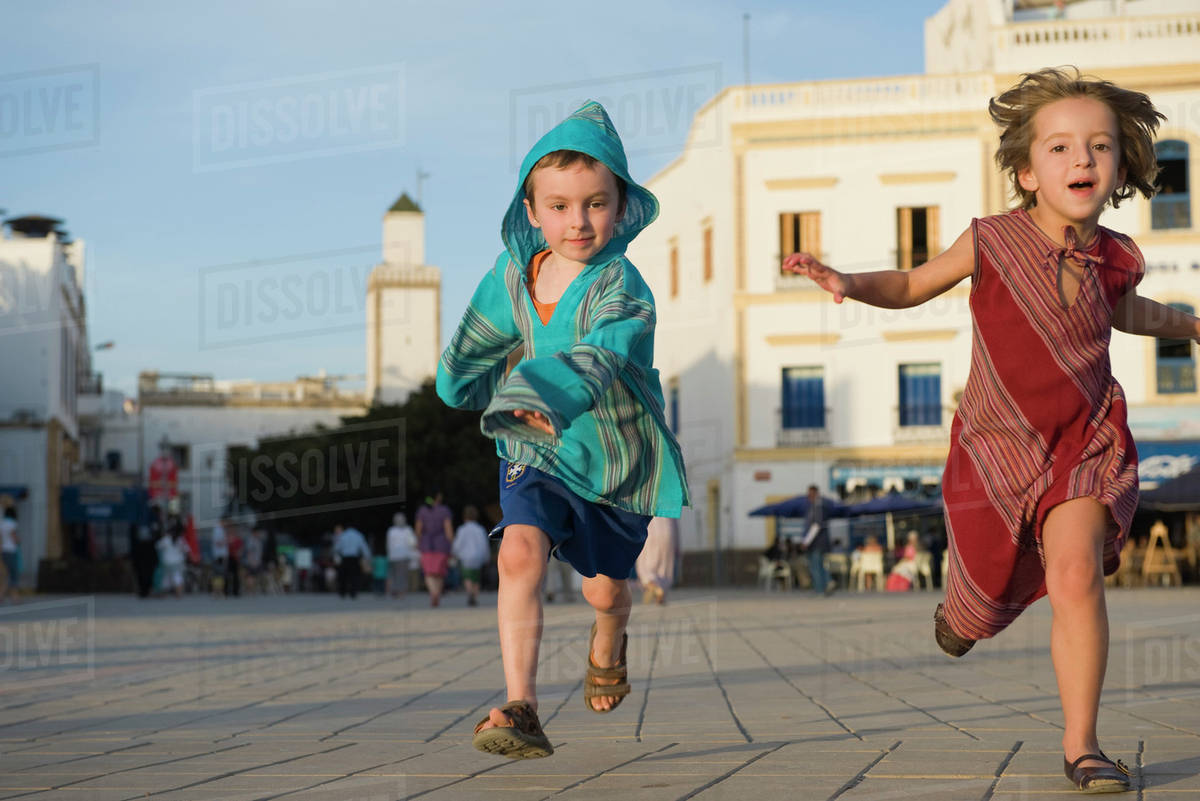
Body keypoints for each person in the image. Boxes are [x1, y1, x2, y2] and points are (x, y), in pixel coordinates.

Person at [783, 67, 1200, 793]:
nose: (1082, 160)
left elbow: (1126, 312)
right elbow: (912, 284)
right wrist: (849, 283)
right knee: (983, 589)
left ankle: (1082, 744)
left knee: (1076, 576)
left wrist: (1189, 324)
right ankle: (962, 615)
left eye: (1100, 146)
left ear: (1121, 164)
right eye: (1061, 147)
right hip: (997, 446)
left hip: (1084, 439)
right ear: (1025, 169)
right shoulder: (992, 241)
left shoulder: (1115, 257)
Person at [437, 100, 688, 759]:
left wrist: (546, 393)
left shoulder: (623, 287)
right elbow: (481, 335)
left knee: (602, 585)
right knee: (517, 550)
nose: (578, 221)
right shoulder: (515, 274)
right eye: (559, 205)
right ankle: (522, 704)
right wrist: (457, 378)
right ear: (531, 210)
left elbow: (601, 356)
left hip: (609, 456)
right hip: (533, 444)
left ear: (621, 203)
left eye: (595, 203)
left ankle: (611, 628)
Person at [415, 493, 454, 607]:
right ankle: (437, 592)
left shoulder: (422, 511)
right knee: (440, 572)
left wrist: (418, 542)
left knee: (428, 572)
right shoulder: (444, 510)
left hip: (426, 544)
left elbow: (418, 529)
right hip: (442, 544)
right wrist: (451, 543)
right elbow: (448, 529)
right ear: (438, 497)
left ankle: (433, 592)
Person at [800, 485, 835, 595]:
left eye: (811, 494)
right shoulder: (814, 507)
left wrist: (806, 541)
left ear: (816, 494)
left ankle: (820, 589)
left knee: (815, 566)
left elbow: (816, 526)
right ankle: (828, 582)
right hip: (816, 543)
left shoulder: (818, 507)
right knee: (819, 565)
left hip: (817, 543)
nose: (809, 496)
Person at [636, 517, 678, 605]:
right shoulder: (670, 503)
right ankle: (660, 596)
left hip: (650, 532)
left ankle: (653, 585)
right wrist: (677, 545)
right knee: (664, 567)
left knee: (645, 566)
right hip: (668, 533)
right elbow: (676, 526)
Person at [332, 524, 370, 599]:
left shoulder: (343, 535)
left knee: (343, 576)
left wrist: (336, 556)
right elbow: (364, 547)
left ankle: (342, 592)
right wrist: (367, 557)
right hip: (354, 558)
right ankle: (353, 593)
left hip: (345, 558)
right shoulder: (358, 535)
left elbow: (337, 548)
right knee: (354, 576)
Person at [386, 512, 418, 598]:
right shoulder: (408, 530)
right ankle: (401, 591)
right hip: (404, 555)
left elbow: (389, 545)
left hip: (394, 556)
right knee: (403, 575)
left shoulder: (391, 531)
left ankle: (395, 590)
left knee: (394, 574)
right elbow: (413, 543)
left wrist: (389, 555)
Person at [0, 502, 20, 603]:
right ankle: (15, 597)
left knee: (5, 574)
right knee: (13, 574)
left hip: (3, 550)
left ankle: (1, 595)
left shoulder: (2, 523)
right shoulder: (12, 523)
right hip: (11, 550)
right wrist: (18, 541)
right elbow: (14, 537)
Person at [210, 519, 229, 598]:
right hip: (219, 556)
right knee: (219, 575)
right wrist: (226, 541)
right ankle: (218, 591)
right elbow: (217, 543)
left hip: (219, 555)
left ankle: (217, 592)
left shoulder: (220, 529)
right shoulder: (218, 530)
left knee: (218, 575)